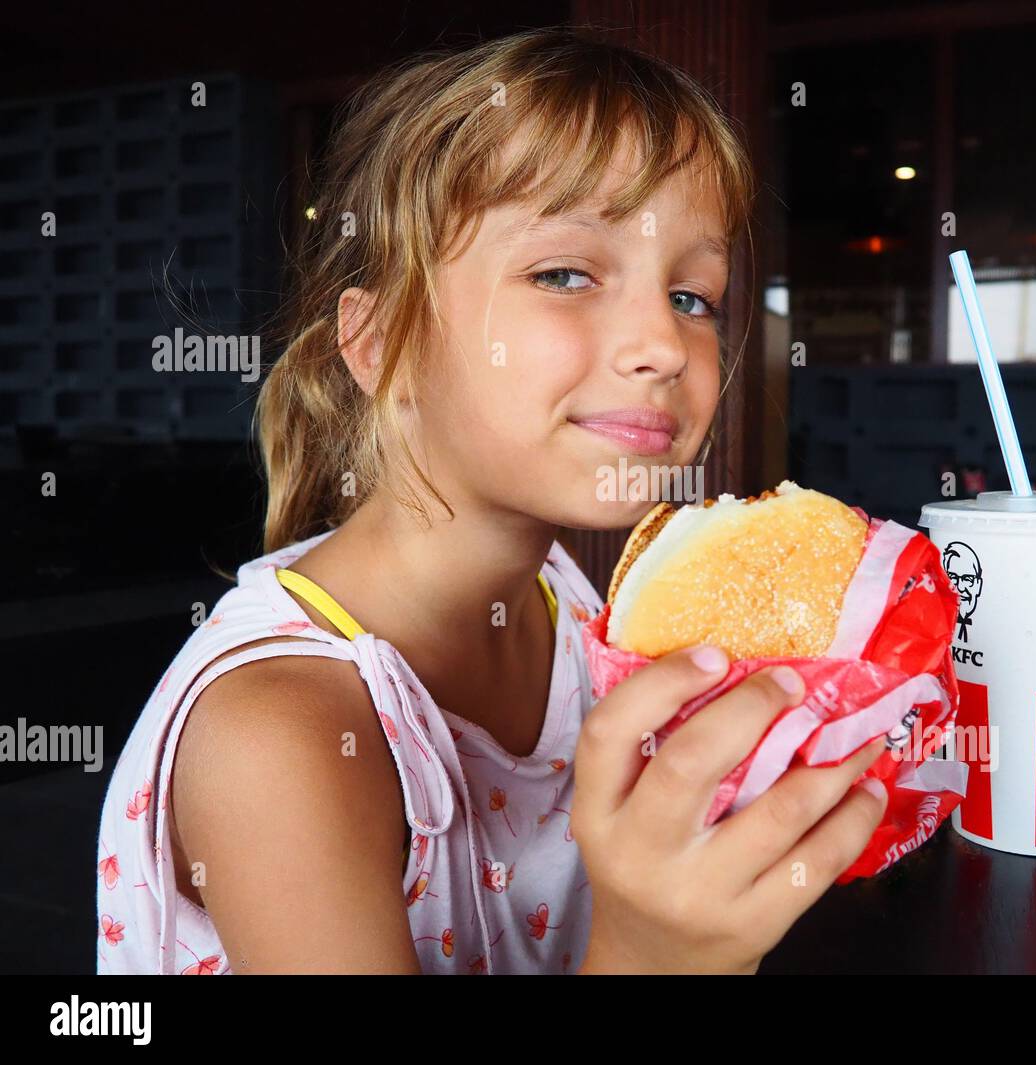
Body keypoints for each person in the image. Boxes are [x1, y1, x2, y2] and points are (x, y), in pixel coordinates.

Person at [95, 26, 889, 975]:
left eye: (693, 295)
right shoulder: (279, 734)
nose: (667, 347)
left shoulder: (574, 610)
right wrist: (658, 954)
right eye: (565, 274)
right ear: (381, 340)